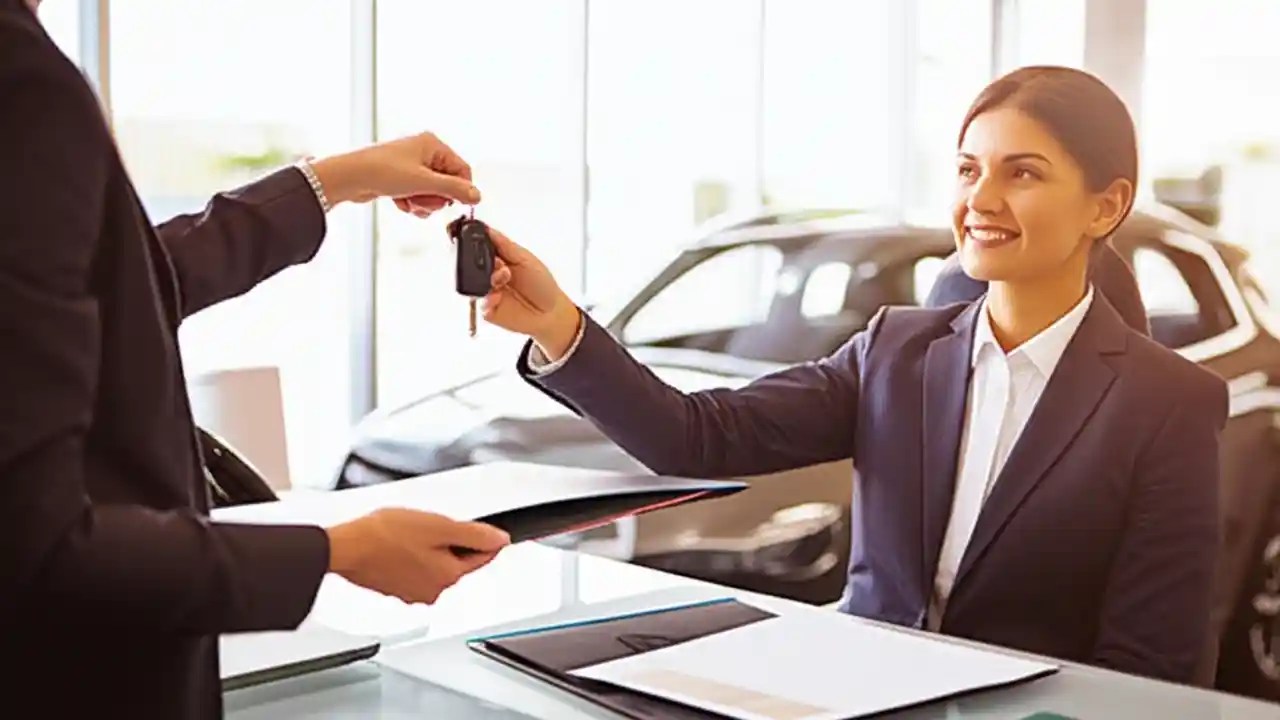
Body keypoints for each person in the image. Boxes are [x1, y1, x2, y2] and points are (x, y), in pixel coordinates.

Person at [477, 65, 1229, 685]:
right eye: (969, 169)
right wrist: (557, 324)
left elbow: (1150, 669)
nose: (982, 200)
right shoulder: (896, 350)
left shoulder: (1169, 404)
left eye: (1022, 172)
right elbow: (694, 438)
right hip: (859, 695)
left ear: (1107, 205)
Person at [2, 2, 509, 716]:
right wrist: (337, 553)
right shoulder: (23, 84)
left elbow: (121, 285)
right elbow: (37, 546)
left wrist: (331, 181)